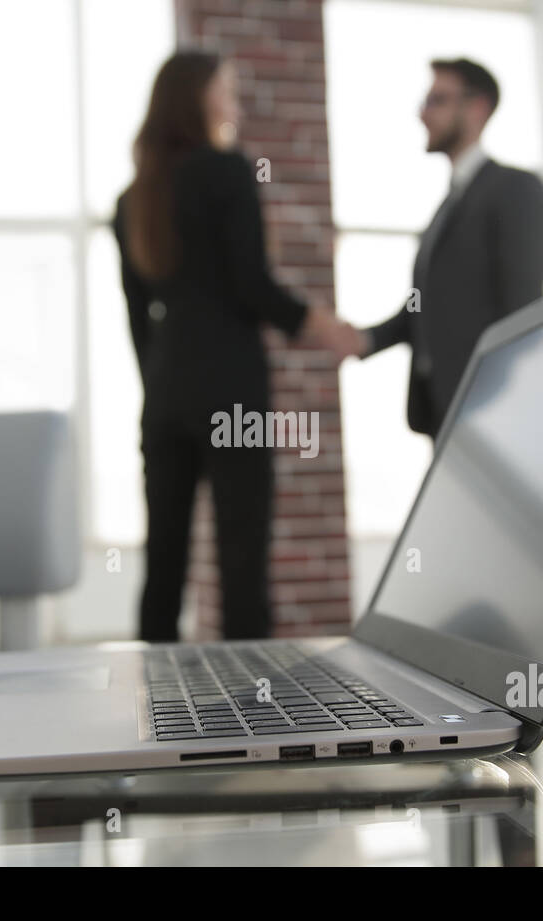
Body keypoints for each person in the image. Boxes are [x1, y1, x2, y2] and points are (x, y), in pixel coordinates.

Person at [113, 51, 350, 643]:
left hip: (166, 395)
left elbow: (139, 317)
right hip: (232, 392)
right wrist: (319, 323)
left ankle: (155, 695)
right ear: (198, 98)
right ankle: (254, 707)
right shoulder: (227, 170)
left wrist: (162, 385)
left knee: (164, 556)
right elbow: (252, 285)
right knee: (241, 553)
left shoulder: (132, 198)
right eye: (227, 89)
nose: (235, 101)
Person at [350, 58, 543, 438]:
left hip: (490, 409)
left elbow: (523, 311)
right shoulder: (447, 207)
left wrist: (506, 408)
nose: (423, 114)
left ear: (477, 107)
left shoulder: (515, 189)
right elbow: (425, 305)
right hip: (443, 409)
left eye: (436, 100)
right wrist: (367, 339)